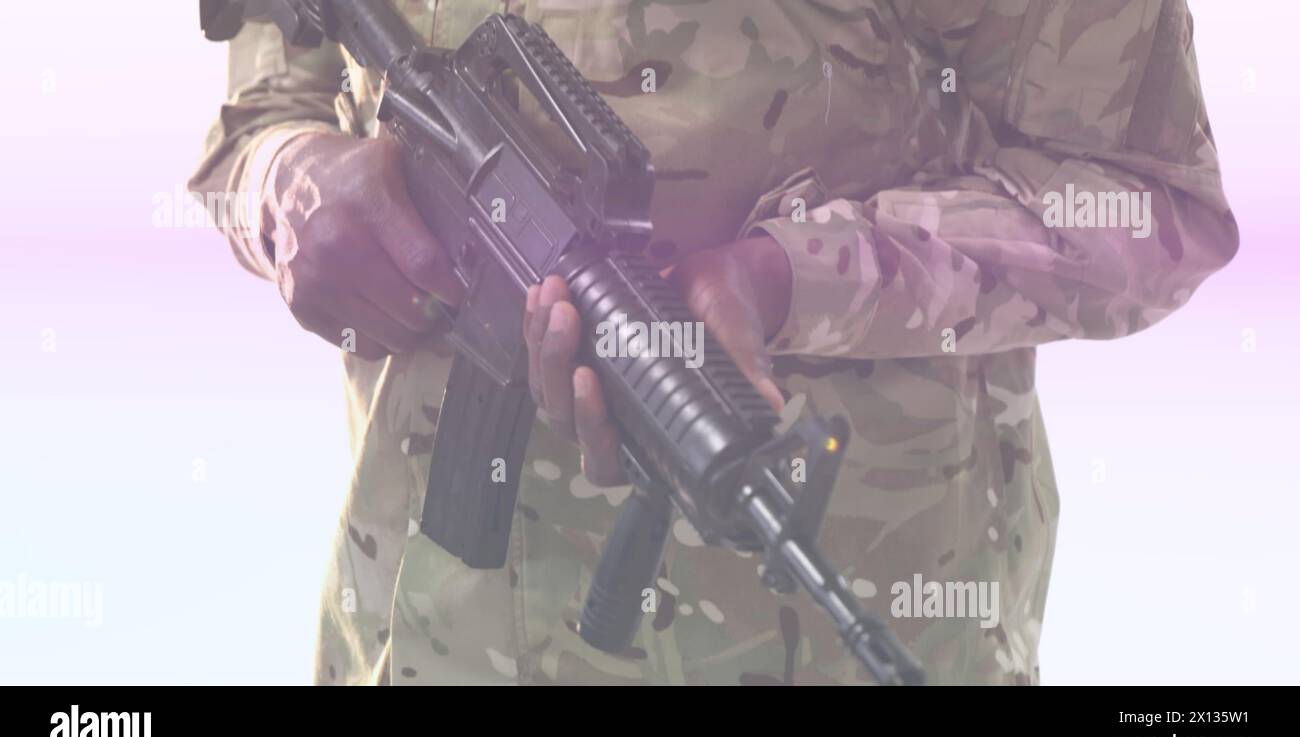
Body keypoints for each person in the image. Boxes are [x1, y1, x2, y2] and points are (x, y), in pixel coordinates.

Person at [190, 0, 1237, 685]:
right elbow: (262, 115)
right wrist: (291, 186)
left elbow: (1144, 208)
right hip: (428, 632)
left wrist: (790, 277)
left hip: (838, 627)